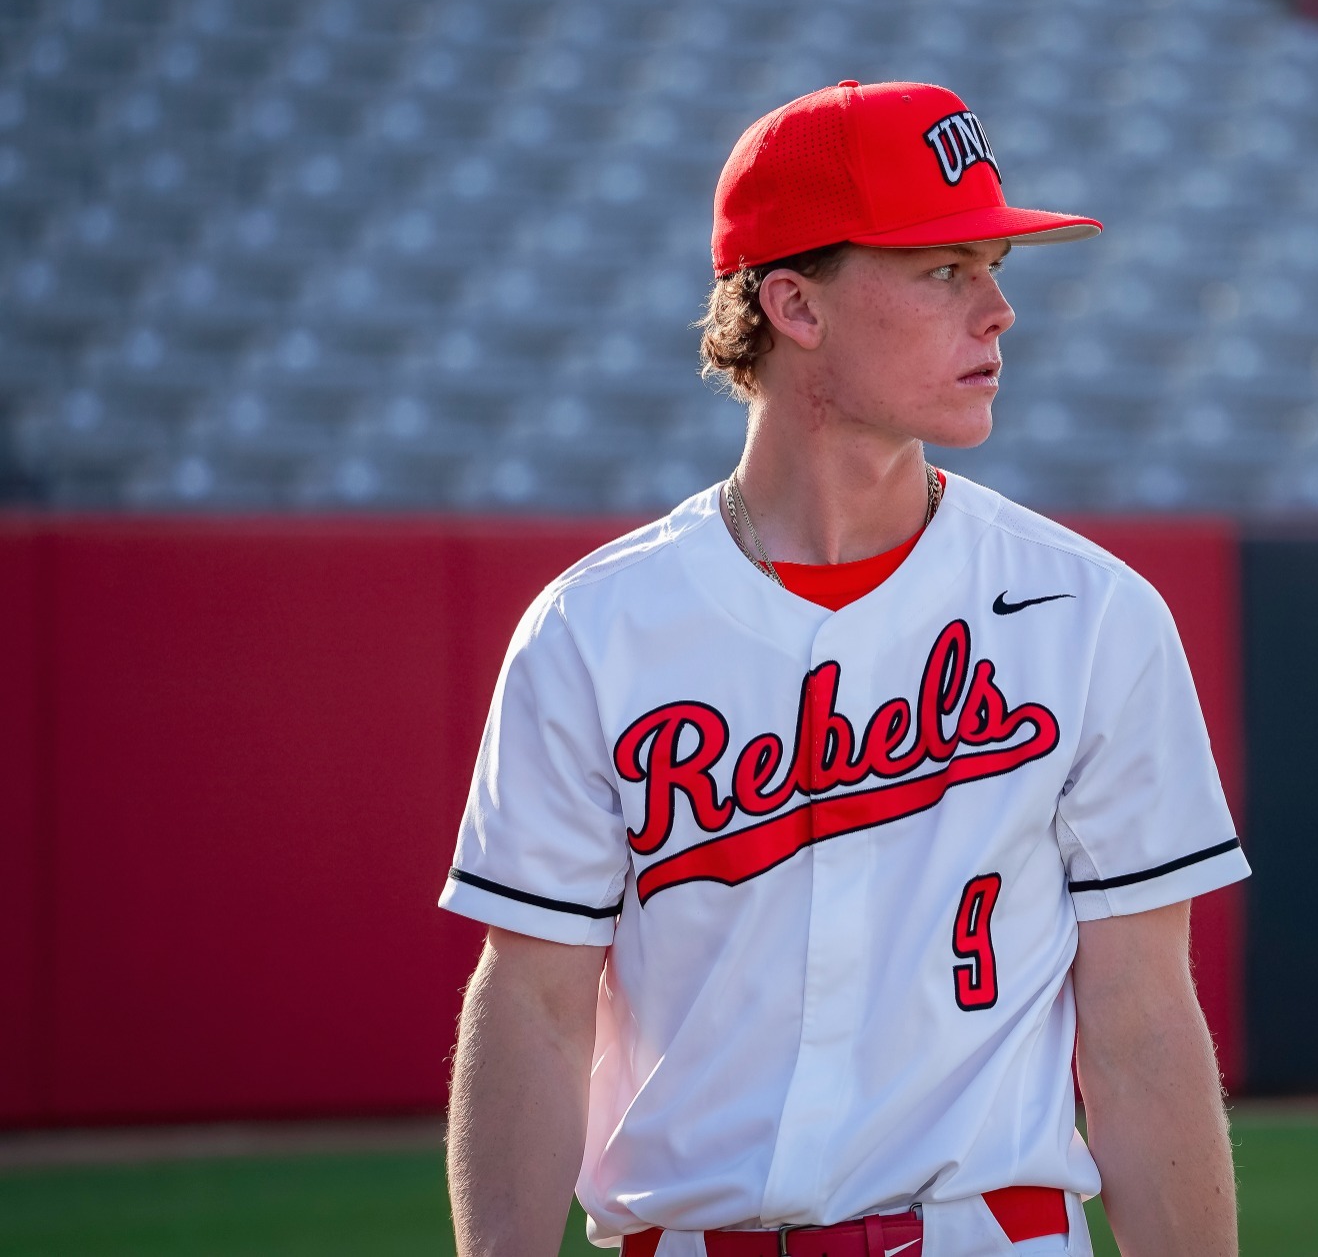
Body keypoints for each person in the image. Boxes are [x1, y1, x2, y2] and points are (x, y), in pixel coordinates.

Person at [438, 80, 1250, 1257]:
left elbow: (1138, 1023)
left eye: (991, 266)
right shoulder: (592, 629)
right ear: (794, 304)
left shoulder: (1089, 614)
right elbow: (532, 1006)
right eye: (943, 270)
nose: (998, 311)